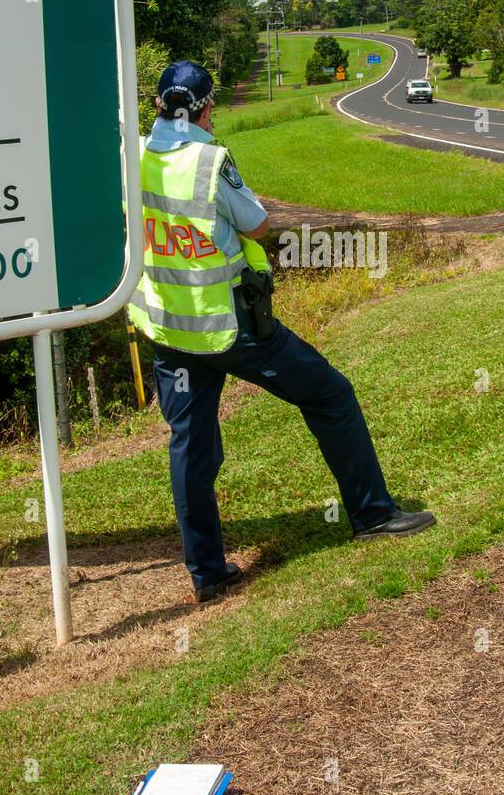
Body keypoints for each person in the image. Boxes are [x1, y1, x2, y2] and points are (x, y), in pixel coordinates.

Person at [128, 59, 435, 603]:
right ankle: (372, 513)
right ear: (205, 107)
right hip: (229, 326)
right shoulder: (208, 160)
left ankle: (208, 573)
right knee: (331, 394)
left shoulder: (133, 155)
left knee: (190, 446)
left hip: (167, 327)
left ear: (158, 105)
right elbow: (258, 224)